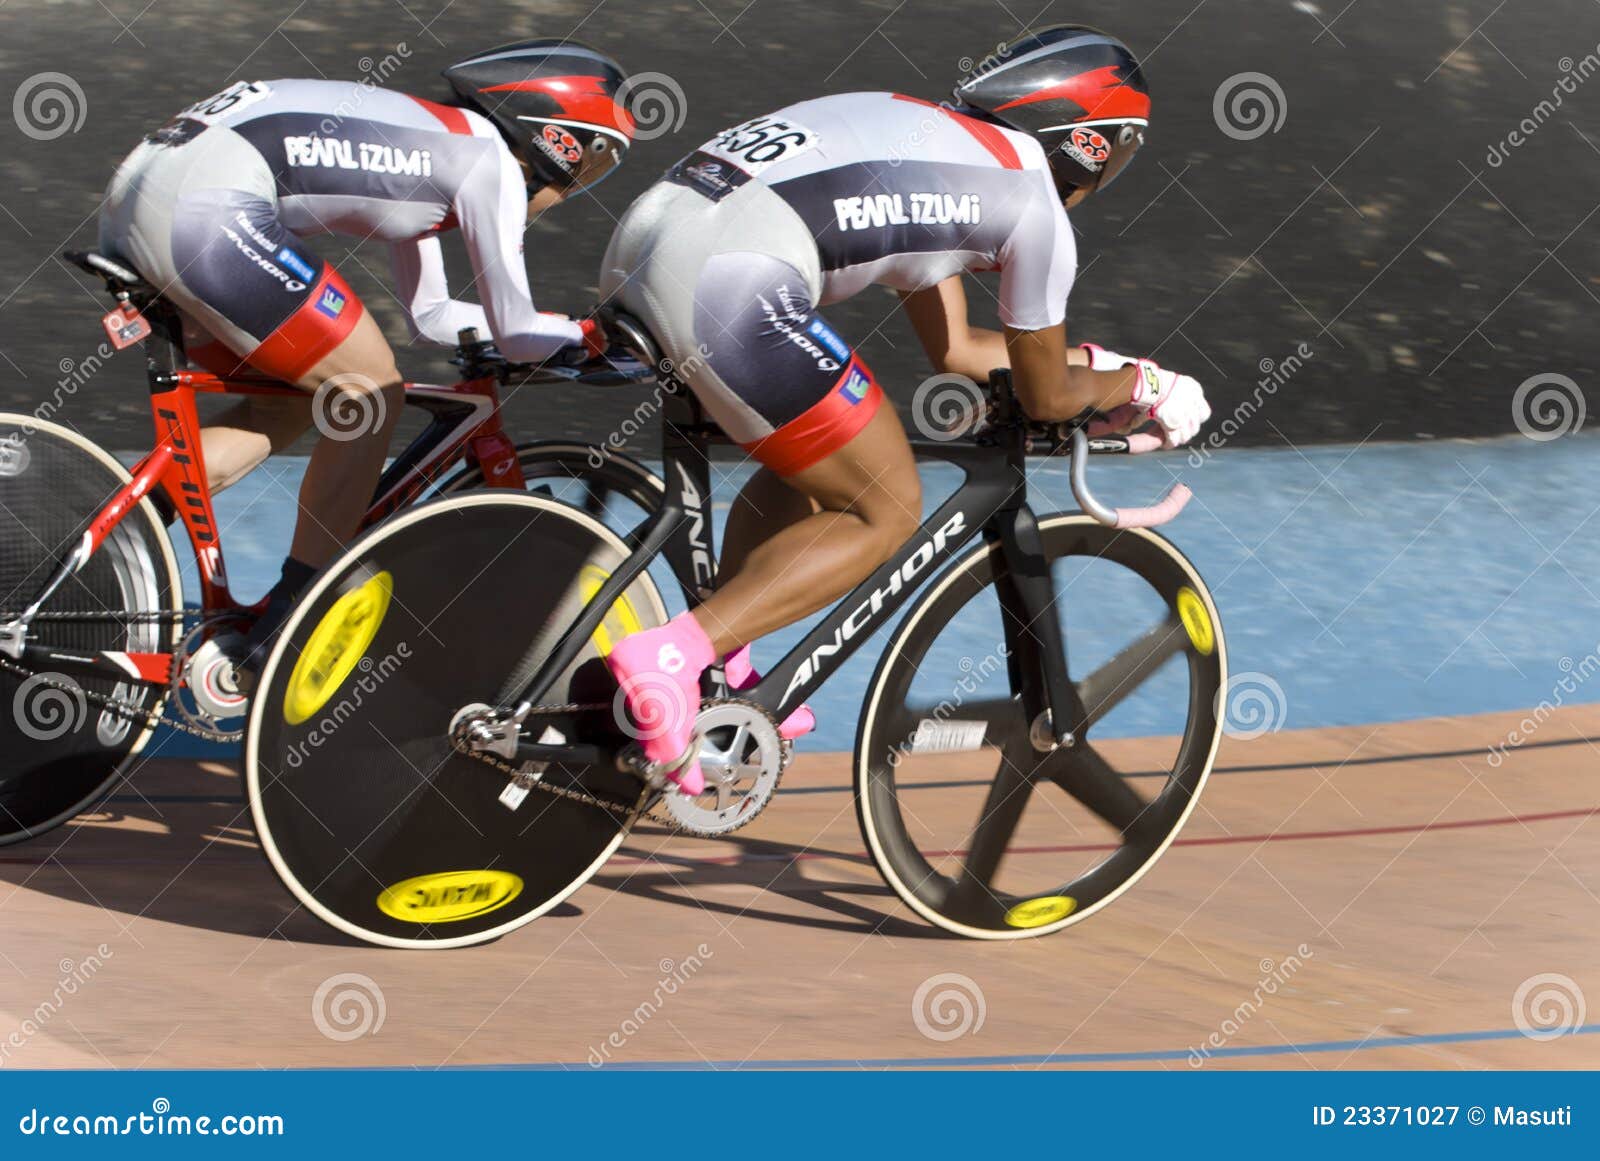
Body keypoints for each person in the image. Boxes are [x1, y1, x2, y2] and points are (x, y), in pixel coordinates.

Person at [598, 24, 1210, 795]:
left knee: (817, 458)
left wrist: (1102, 370)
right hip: (730, 282)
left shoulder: (942, 145)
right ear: (1093, 146)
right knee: (882, 503)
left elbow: (958, 349)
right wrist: (1145, 387)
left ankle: (720, 665)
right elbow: (1045, 395)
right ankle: (676, 654)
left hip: (644, 242)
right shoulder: (1035, 204)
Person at [96, 39, 634, 656]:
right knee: (371, 394)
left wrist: (553, 330)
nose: (583, 183)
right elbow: (513, 329)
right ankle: (292, 623)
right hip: (206, 207)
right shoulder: (489, 161)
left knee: (299, 398)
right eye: (596, 159)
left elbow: (430, 316)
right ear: (555, 137)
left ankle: (90, 540)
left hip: (149, 194)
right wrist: (592, 335)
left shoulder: (440, 139)